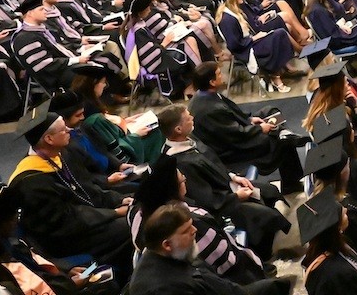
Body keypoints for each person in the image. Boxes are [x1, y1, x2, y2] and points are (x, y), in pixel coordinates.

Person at [6, 109, 134, 283]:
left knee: (135, 203)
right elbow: (67, 220)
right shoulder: (30, 181)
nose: (69, 130)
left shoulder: (60, 155)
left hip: (85, 219)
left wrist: (117, 201)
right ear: (49, 139)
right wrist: (115, 213)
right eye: (63, 129)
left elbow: (87, 186)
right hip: (64, 237)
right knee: (129, 225)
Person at [158, 105, 291, 262]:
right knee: (263, 216)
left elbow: (214, 162)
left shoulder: (190, 138)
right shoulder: (179, 162)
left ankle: (265, 241)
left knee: (269, 190)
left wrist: (233, 177)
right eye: (188, 118)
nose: (192, 118)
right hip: (222, 205)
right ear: (178, 129)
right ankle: (262, 258)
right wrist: (237, 196)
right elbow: (206, 199)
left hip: (227, 185)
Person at [186, 62, 307, 195]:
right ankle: (291, 184)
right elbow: (233, 134)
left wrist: (249, 120)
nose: (223, 75)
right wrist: (260, 129)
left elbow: (230, 117)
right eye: (219, 74)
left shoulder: (204, 95)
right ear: (212, 82)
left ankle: (283, 132)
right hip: (231, 149)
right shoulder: (209, 110)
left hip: (233, 132)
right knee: (280, 141)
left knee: (270, 111)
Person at [127, 203, 288, 295]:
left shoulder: (164, 255)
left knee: (276, 285)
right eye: (186, 230)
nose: (194, 231)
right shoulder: (164, 289)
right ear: (167, 244)